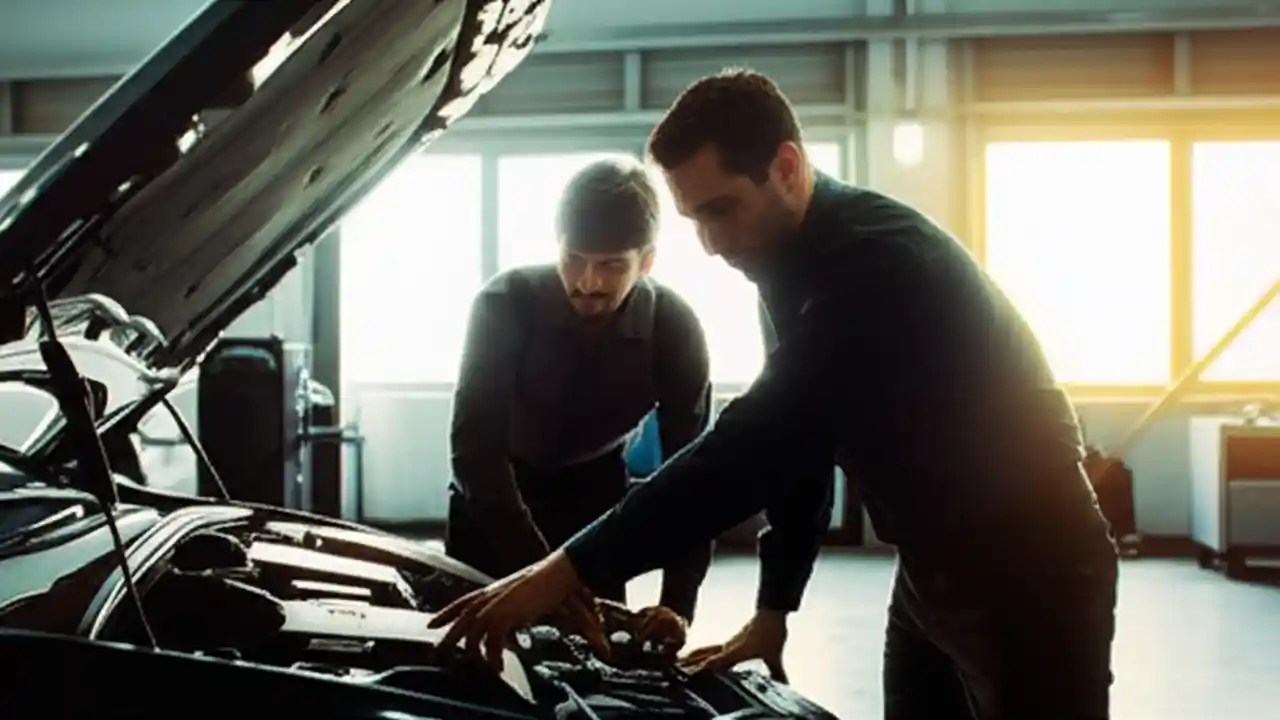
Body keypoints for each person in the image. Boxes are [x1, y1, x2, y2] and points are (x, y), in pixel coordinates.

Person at [431, 70, 1120, 720]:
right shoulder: (786, 267)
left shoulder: (878, 265)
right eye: (694, 219)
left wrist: (568, 567)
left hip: (1030, 562)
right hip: (929, 566)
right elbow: (805, 448)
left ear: (786, 168)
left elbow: (760, 442)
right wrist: (773, 611)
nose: (709, 244)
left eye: (721, 210)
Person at [444, 156, 713, 639]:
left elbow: (694, 476)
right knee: (474, 668)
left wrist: (678, 604)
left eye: (610, 266)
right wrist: (548, 583)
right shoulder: (503, 303)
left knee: (599, 665)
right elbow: (474, 453)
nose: (587, 283)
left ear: (646, 261)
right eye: (574, 259)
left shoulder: (675, 329)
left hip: (597, 504)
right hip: (494, 498)